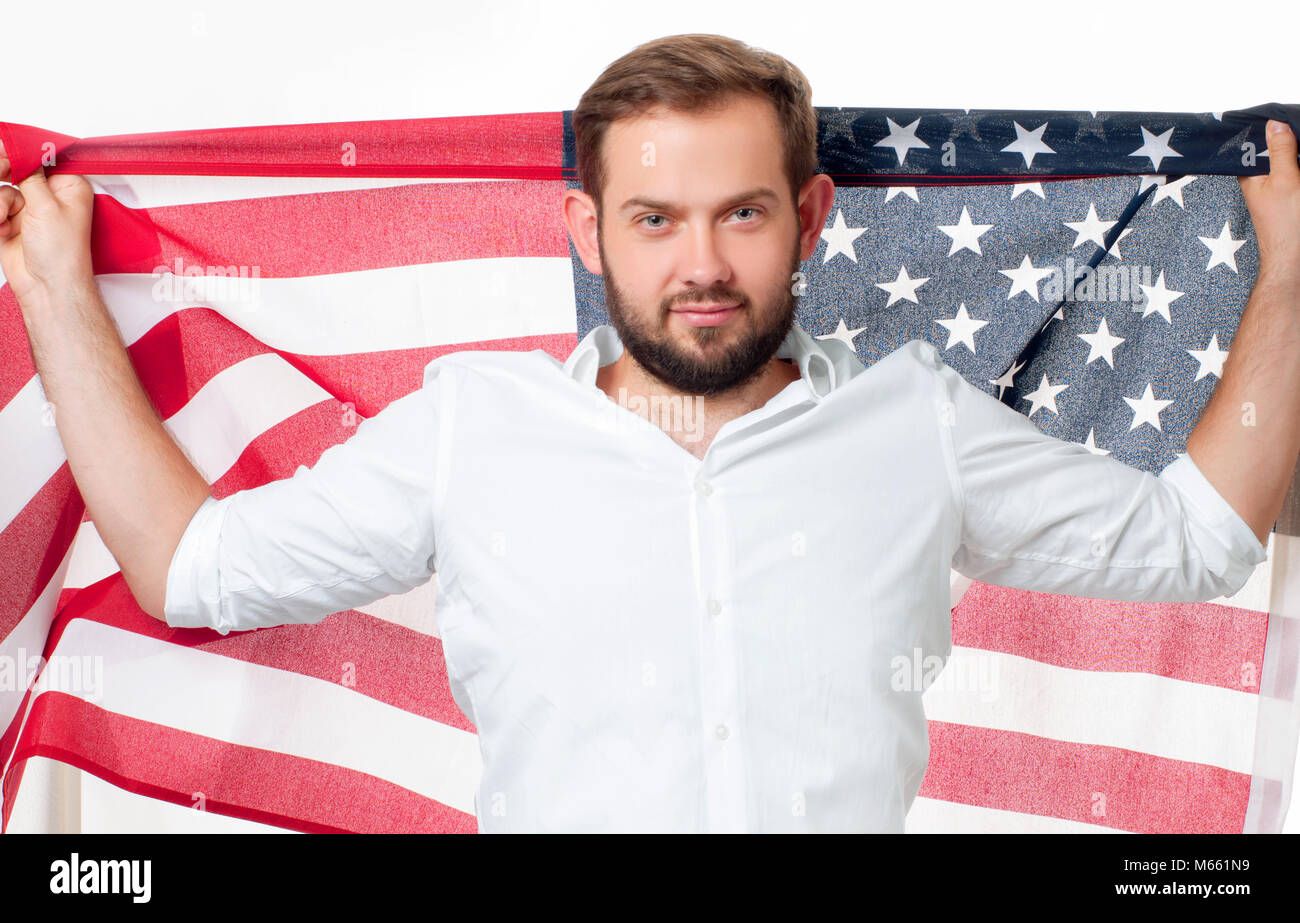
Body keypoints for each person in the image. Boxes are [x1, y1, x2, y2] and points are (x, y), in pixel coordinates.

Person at [2, 33, 1297, 832]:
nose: (703, 265)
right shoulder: (475, 428)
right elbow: (193, 571)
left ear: (811, 213)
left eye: (742, 214)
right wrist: (57, 291)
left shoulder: (916, 425)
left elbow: (1195, 541)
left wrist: (1288, 269)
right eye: (656, 219)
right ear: (588, 232)